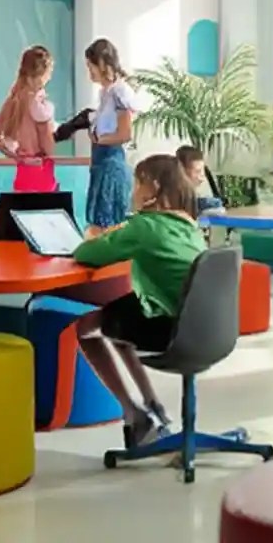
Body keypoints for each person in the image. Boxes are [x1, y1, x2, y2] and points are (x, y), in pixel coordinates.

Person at [71, 155, 203, 448]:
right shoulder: (189, 226)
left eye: (137, 183)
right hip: (205, 331)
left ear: (152, 188)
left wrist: (96, 238)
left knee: (84, 328)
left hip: (172, 333)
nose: (132, 191)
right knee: (123, 314)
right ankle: (153, 405)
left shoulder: (145, 227)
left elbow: (86, 254)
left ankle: (132, 411)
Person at [84, 39, 137, 236]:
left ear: (102, 64)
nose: (89, 70)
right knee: (96, 224)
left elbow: (125, 133)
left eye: (91, 65)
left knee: (109, 226)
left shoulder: (119, 91)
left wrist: (99, 139)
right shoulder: (105, 93)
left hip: (112, 164)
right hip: (99, 163)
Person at [0, 45, 57, 192]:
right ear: (44, 73)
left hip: (24, 170)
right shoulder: (39, 105)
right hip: (41, 168)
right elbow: (49, 147)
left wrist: (17, 157)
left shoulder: (13, 100)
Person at [176, 145, 224, 214]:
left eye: (203, 171)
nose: (203, 175)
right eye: (197, 171)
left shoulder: (193, 195)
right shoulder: (171, 198)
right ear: (182, 171)